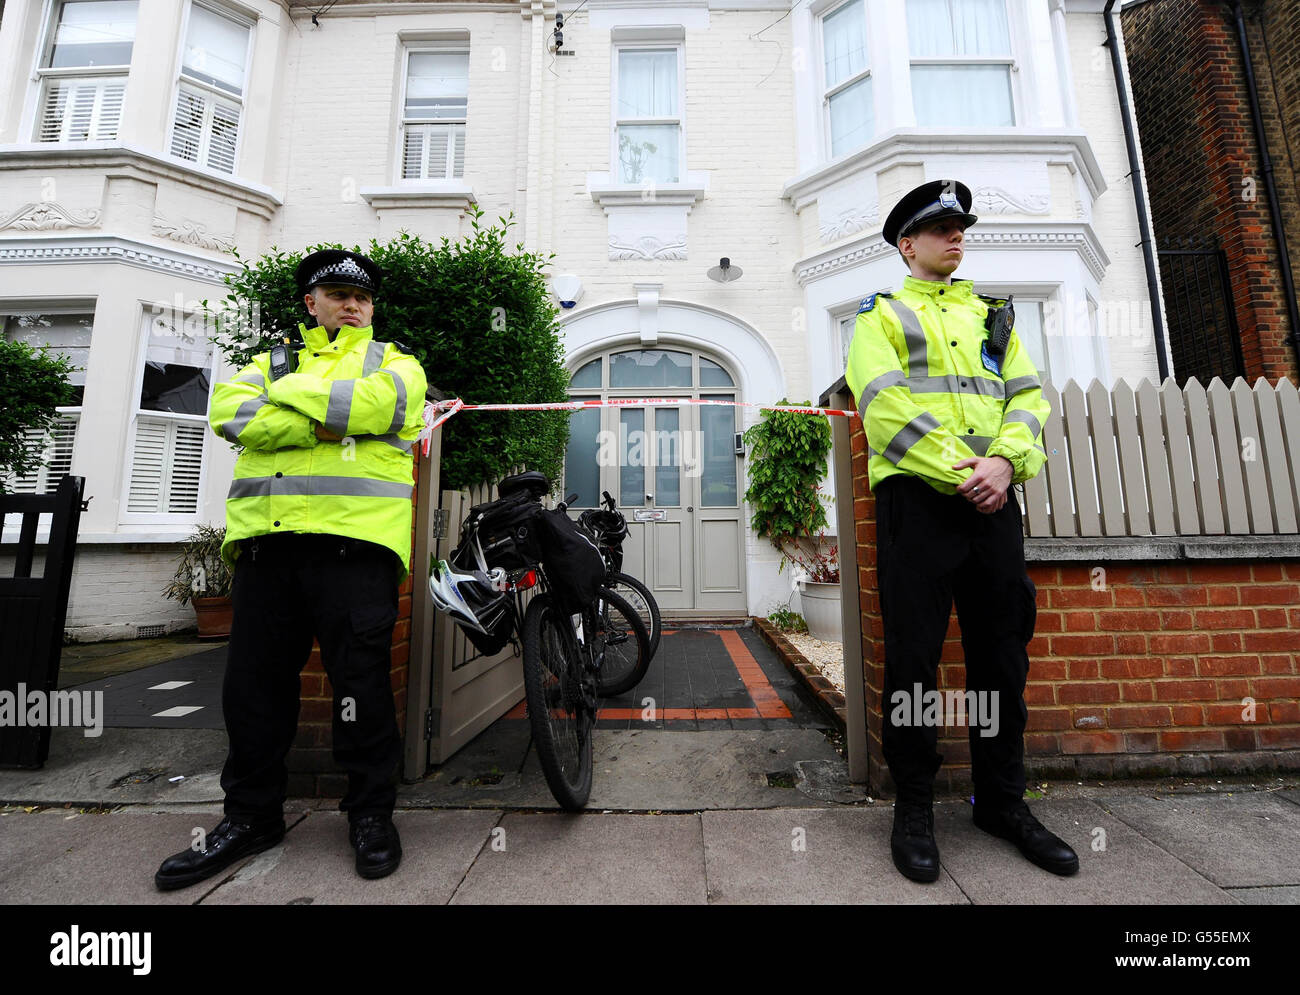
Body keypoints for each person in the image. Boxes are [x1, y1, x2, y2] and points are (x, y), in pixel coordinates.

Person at [155, 249, 428, 890]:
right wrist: (329, 414)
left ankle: (371, 815)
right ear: (311, 302)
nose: (352, 305)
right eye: (337, 294)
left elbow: (383, 410)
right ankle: (251, 819)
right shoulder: (261, 362)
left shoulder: (395, 363)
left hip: (355, 549)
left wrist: (289, 398)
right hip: (267, 549)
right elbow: (231, 416)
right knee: (253, 691)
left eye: (361, 297)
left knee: (361, 687)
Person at [845, 180, 1078, 883]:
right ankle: (913, 808)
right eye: (941, 227)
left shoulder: (994, 316)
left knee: (1001, 659)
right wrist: (966, 471)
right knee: (914, 662)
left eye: (960, 226)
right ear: (905, 244)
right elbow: (883, 408)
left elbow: (1028, 399)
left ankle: (1000, 802)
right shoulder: (878, 318)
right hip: (920, 506)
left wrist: (1006, 464)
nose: (956, 236)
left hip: (994, 506)